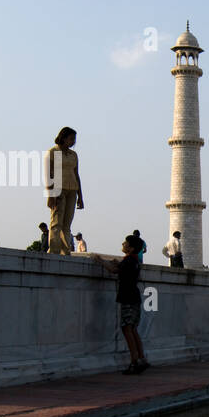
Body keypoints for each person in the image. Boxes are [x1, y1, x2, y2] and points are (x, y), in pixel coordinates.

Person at [92, 235, 149, 374]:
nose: (123, 244)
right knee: (133, 329)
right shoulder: (133, 260)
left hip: (128, 297)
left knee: (127, 328)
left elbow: (114, 270)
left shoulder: (129, 260)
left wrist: (99, 260)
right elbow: (120, 267)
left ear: (131, 248)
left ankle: (134, 362)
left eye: (126, 243)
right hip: (134, 297)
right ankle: (141, 359)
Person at [45, 127, 83, 255]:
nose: (73, 142)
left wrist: (80, 196)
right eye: (71, 139)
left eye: (74, 139)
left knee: (67, 223)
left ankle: (65, 250)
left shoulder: (73, 155)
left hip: (72, 189)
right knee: (56, 221)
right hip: (58, 189)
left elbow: (76, 174)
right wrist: (50, 194)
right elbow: (48, 174)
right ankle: (54, 249)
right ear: (64, 137)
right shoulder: (54, 152)